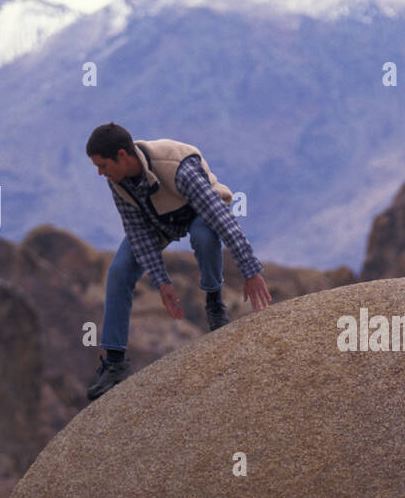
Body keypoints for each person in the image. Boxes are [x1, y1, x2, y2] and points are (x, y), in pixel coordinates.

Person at [84, 122, 272, 399]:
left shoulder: (178, 168)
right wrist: (162, 283)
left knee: (204, 236)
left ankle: (214, 302)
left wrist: (251, 271)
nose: (100, 173)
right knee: (119, 271)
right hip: (158, 221)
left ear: (122, 155)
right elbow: (138, 233)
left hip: (198, 211)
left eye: (102, 165)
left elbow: (222, 220)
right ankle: (114, 362)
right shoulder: (118, 182)